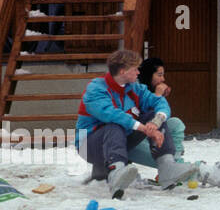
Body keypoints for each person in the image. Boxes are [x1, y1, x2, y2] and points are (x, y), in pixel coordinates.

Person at [76, 49, 197, 197]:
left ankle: (167, 167)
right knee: (113, 125)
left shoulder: (135, 88)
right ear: (122, 71)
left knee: (152, 114)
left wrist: (155, 122)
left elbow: (158, 101)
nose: (138, 73)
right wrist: (142, 128)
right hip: (87, 144)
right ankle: (116, 172)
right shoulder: (95, 88)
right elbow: (111, 114)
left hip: (121, 140)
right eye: (135, 69)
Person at [134, 57, 220, 188]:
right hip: (129, 142)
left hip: (146, 136)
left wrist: (158, 98)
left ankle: (173, 171)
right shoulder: (132, 88)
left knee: (175, 124)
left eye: (163, 75)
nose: (163, 79)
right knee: (169, 161)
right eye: (159, 75)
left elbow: (159, 114)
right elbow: (141, 117)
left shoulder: (143, 89)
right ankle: (210, 174)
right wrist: (157, 96)